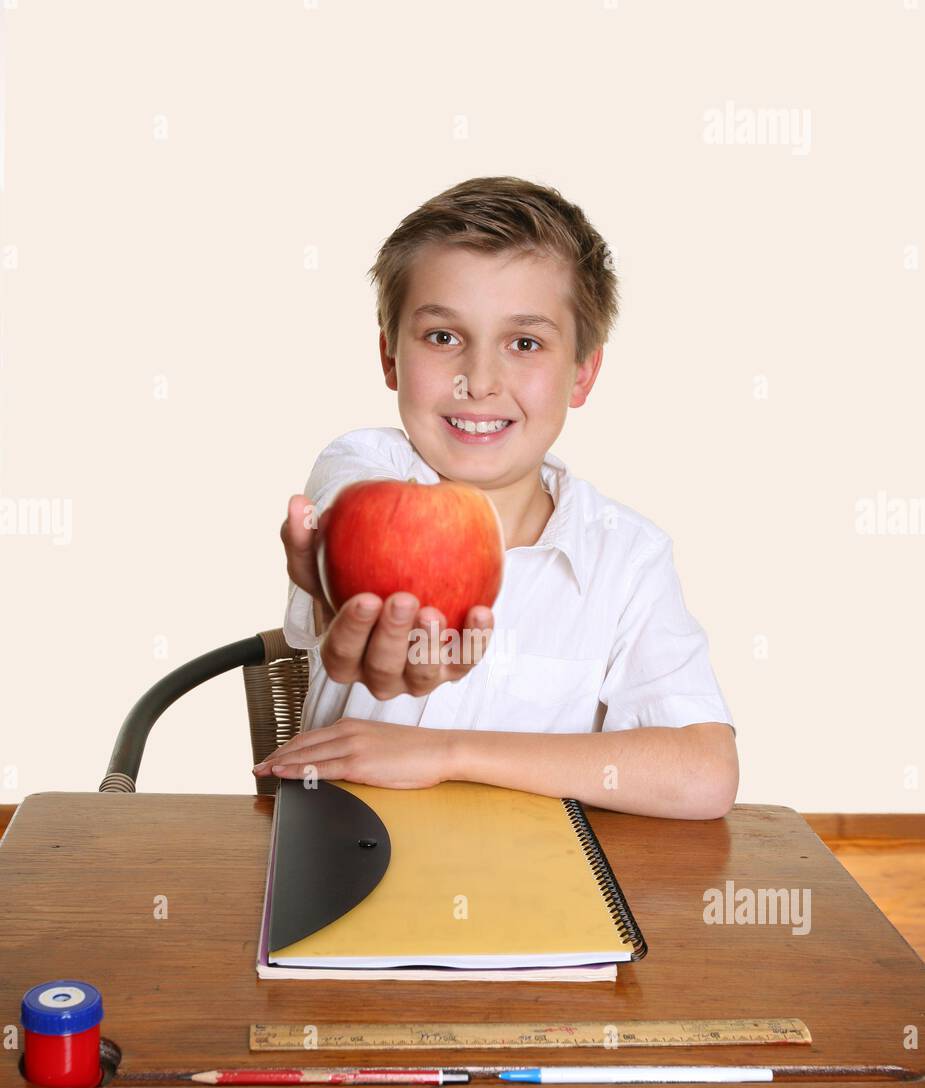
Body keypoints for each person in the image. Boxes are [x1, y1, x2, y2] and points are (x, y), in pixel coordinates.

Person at [255, 176, 737, 818]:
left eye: (526, 343)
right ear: (389, 356)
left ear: (583, 373)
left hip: (538, 883)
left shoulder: (627, 556)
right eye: (443, 337)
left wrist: (446, 753)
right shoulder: (364, 464)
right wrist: (327, 577)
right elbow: (348, 513)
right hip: (346, 855)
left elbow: (704, 775)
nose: (479, 380)